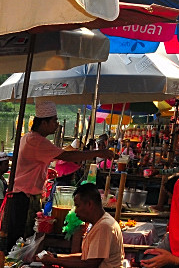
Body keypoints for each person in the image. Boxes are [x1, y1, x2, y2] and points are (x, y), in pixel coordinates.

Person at [7, 100, 115, 243]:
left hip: (25, 195)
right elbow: (67, 156)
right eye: (54, 121)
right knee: (22, 238)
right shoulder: (36, 141)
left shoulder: (29, 137)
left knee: (27, 236)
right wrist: (98, 153)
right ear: (44, 123)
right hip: (23, 197)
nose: (57, 124)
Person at [37, 182, 125, 268]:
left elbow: (90, 265)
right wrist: (55, 258)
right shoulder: (97, 223)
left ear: (89, 204)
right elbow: (85, 256)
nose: (75, 211)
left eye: (77, 206)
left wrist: (55, 260)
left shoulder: (105, 226)